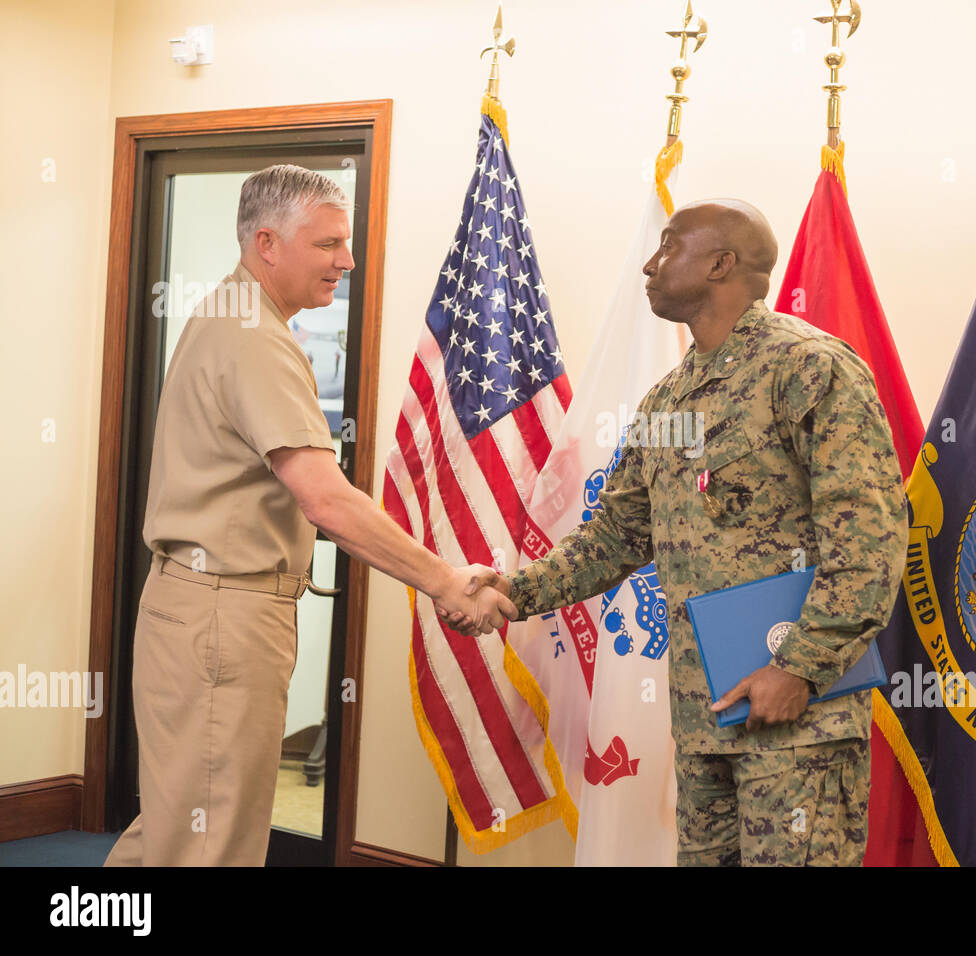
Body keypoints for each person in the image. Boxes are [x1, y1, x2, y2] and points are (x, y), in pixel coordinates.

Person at [447, 199, 907, 865]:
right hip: (706, 715)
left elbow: (870, 540)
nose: (650, 263)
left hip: (796, 721)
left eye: (669, 247)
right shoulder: (668, 399)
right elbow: (614, 538)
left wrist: (798, 667)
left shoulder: (809, 368)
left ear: (720, 263)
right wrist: (511, 592)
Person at [105, 164, 516, 867]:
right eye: (328, 244)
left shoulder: (231, 312)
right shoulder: (256, 339)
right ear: (268, 242)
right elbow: (325, 498)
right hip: (222, 615)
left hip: (200, 607)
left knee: (179, 823)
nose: (346, 260)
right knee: (211, 840)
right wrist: (445, 582)